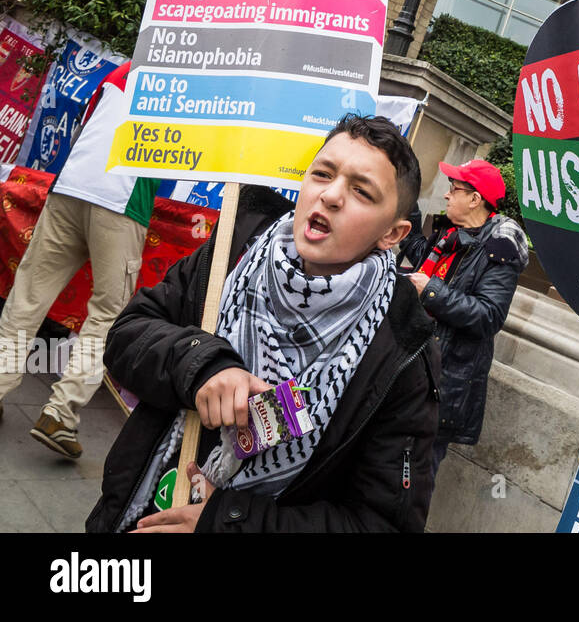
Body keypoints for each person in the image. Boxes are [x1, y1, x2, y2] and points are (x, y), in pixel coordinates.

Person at [86, 114, 440, 533]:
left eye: (361, 191)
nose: (330, 195)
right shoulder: (235, 248)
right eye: (322, 173)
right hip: (134, 511)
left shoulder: (403, 348)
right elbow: (128, 335)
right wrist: (202, 365)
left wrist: (228, 524)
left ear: (393, 233)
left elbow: (382, 522)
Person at [0, 60, 160, 459]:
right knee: (107, 313)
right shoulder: (194, 89)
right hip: (123, 201)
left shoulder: (122, 70)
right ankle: (60, 414)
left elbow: (87, 124)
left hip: (70, 186)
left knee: (28, 294)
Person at [401, 158, 528, 486]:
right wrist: (405, 203)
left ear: (475, 199)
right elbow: (418, 251)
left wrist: (429, 290)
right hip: (407, 372)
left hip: (440, 386)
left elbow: (488, 316)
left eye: (454, 189)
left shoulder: (500, 248)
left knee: (413, 484)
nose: (446, 196)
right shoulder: (450, 236)